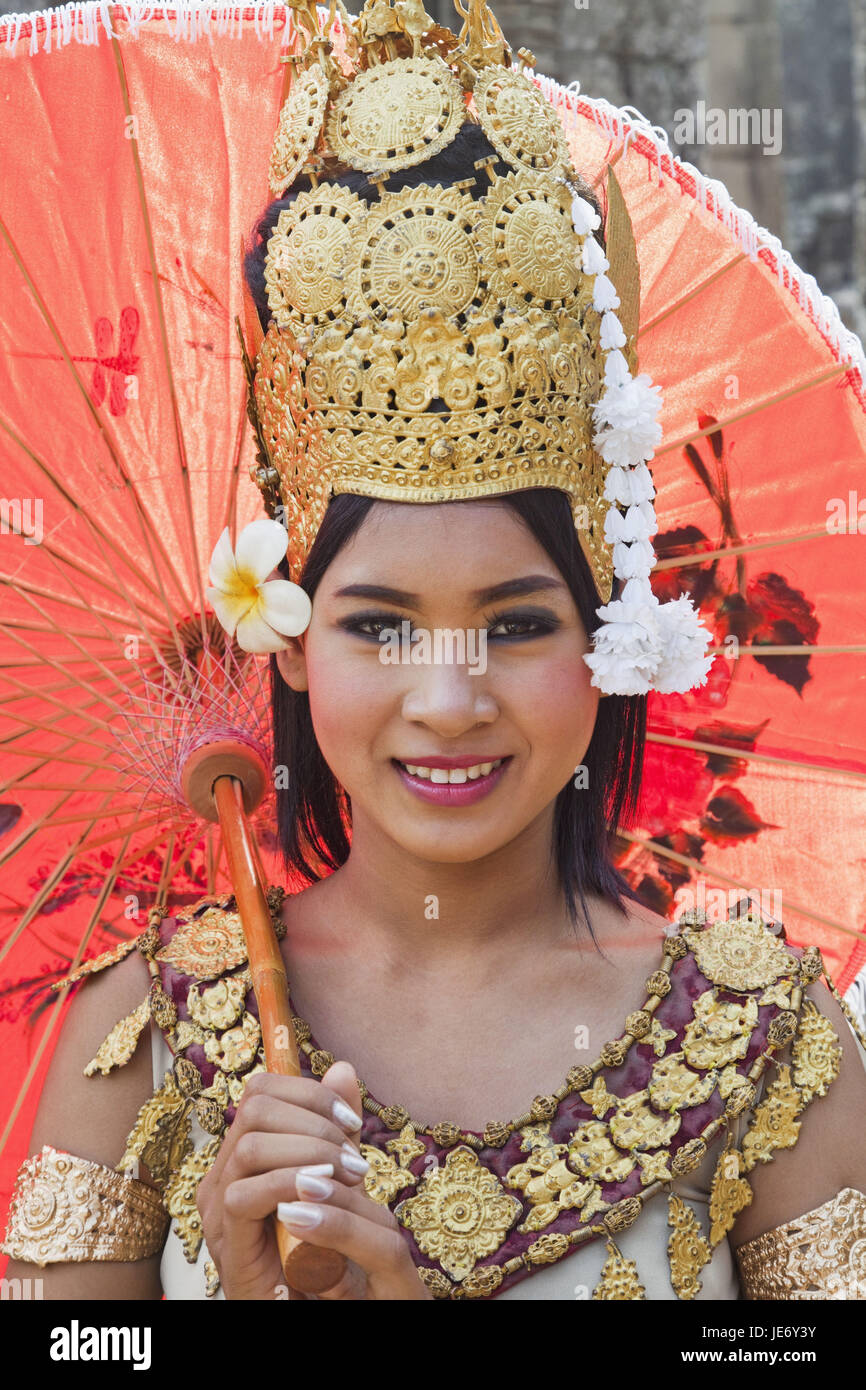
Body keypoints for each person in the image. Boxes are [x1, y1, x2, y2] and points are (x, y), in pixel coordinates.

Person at [4, 0, 866, 1302]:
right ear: (288, 644)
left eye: (518, 622)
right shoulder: (142, 1033)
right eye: (379, 623)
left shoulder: (765, 1044)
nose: (449, 696)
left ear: (608, 638)